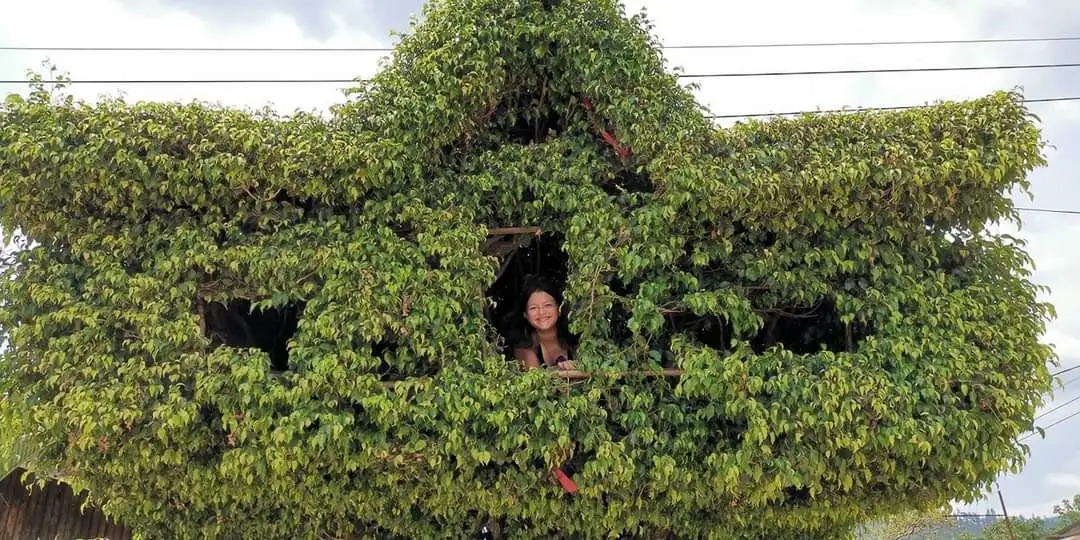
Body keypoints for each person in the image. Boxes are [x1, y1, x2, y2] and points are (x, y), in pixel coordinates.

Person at [511, 276, 576, 370]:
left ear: (559, 309)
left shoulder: (575, 340)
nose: (541, 312)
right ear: (525, 314)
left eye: (548, 305)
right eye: (533, 308)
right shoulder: (524, 349)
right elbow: (535, 377)